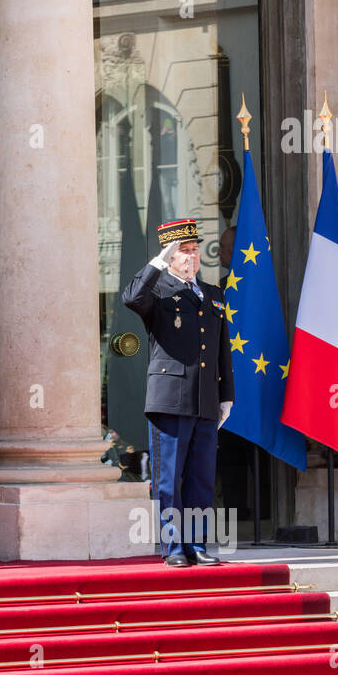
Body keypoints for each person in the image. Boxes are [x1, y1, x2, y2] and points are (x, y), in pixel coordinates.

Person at [122, 219, 234, 567]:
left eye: (194, 250)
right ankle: (173, 547)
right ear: (169, 257)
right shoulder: (157, 291)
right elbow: (131, 297)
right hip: (169, 398)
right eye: (183, 252)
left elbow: (222, 349)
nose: (191, 257)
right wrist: (157, 262)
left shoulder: (213, 294)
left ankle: (197, 545)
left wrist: (226, 395)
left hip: (204, 398)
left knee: (201, 475)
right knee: (169, 477)